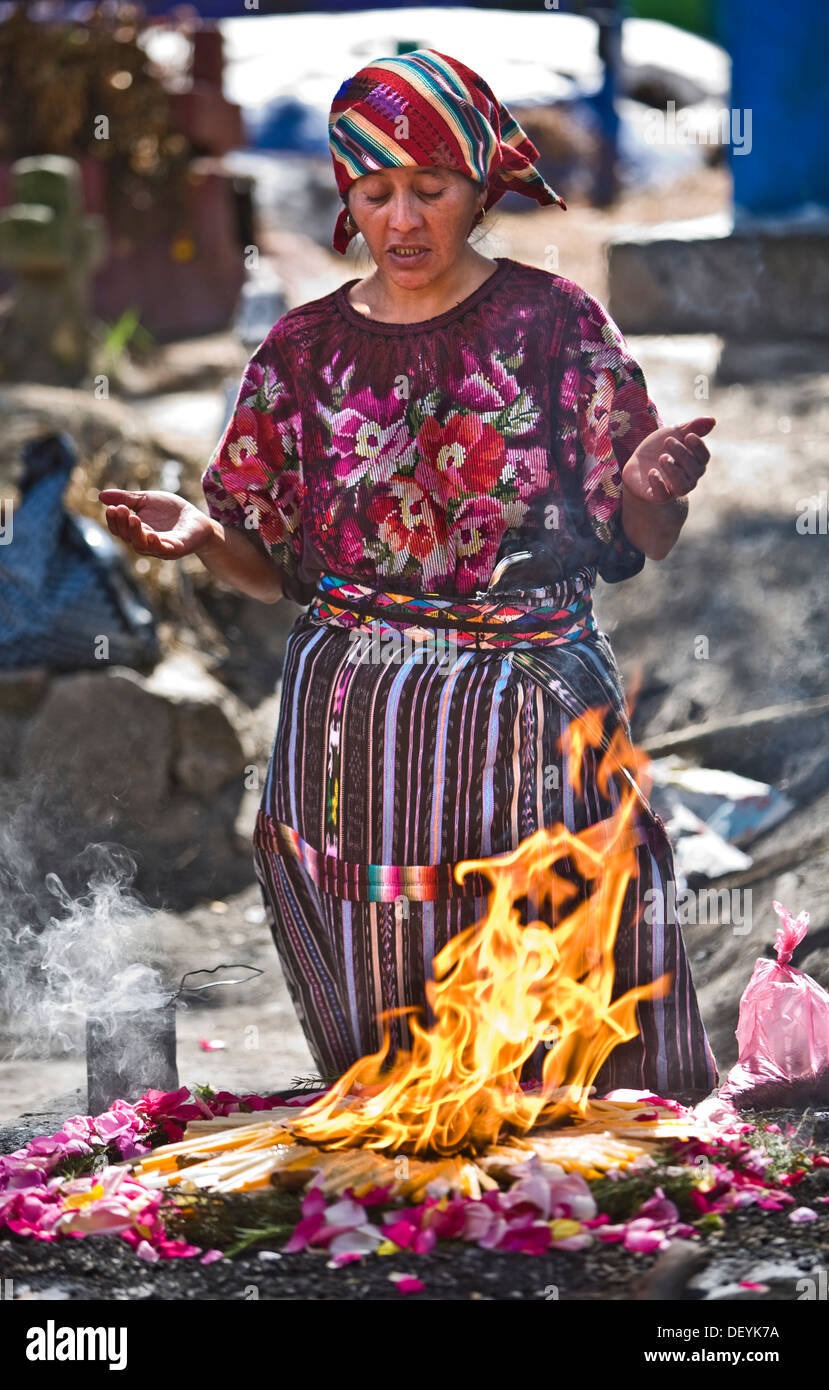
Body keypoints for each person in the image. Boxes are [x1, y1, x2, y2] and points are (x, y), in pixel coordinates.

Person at [100, 49, 718, 1102]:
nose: (402, 218)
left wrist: (656, 485)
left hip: (531, 710)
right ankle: (414, 1152)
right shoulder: (299, 356)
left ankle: (601, 1165)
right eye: (374, 191)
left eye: (429, 189)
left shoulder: (556, 326)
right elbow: (273, 569)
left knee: (571, 944)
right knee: (390, 993)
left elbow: (639, 538)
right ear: (347, 199)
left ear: (478, 183)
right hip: (355, 722)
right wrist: (205, 536)